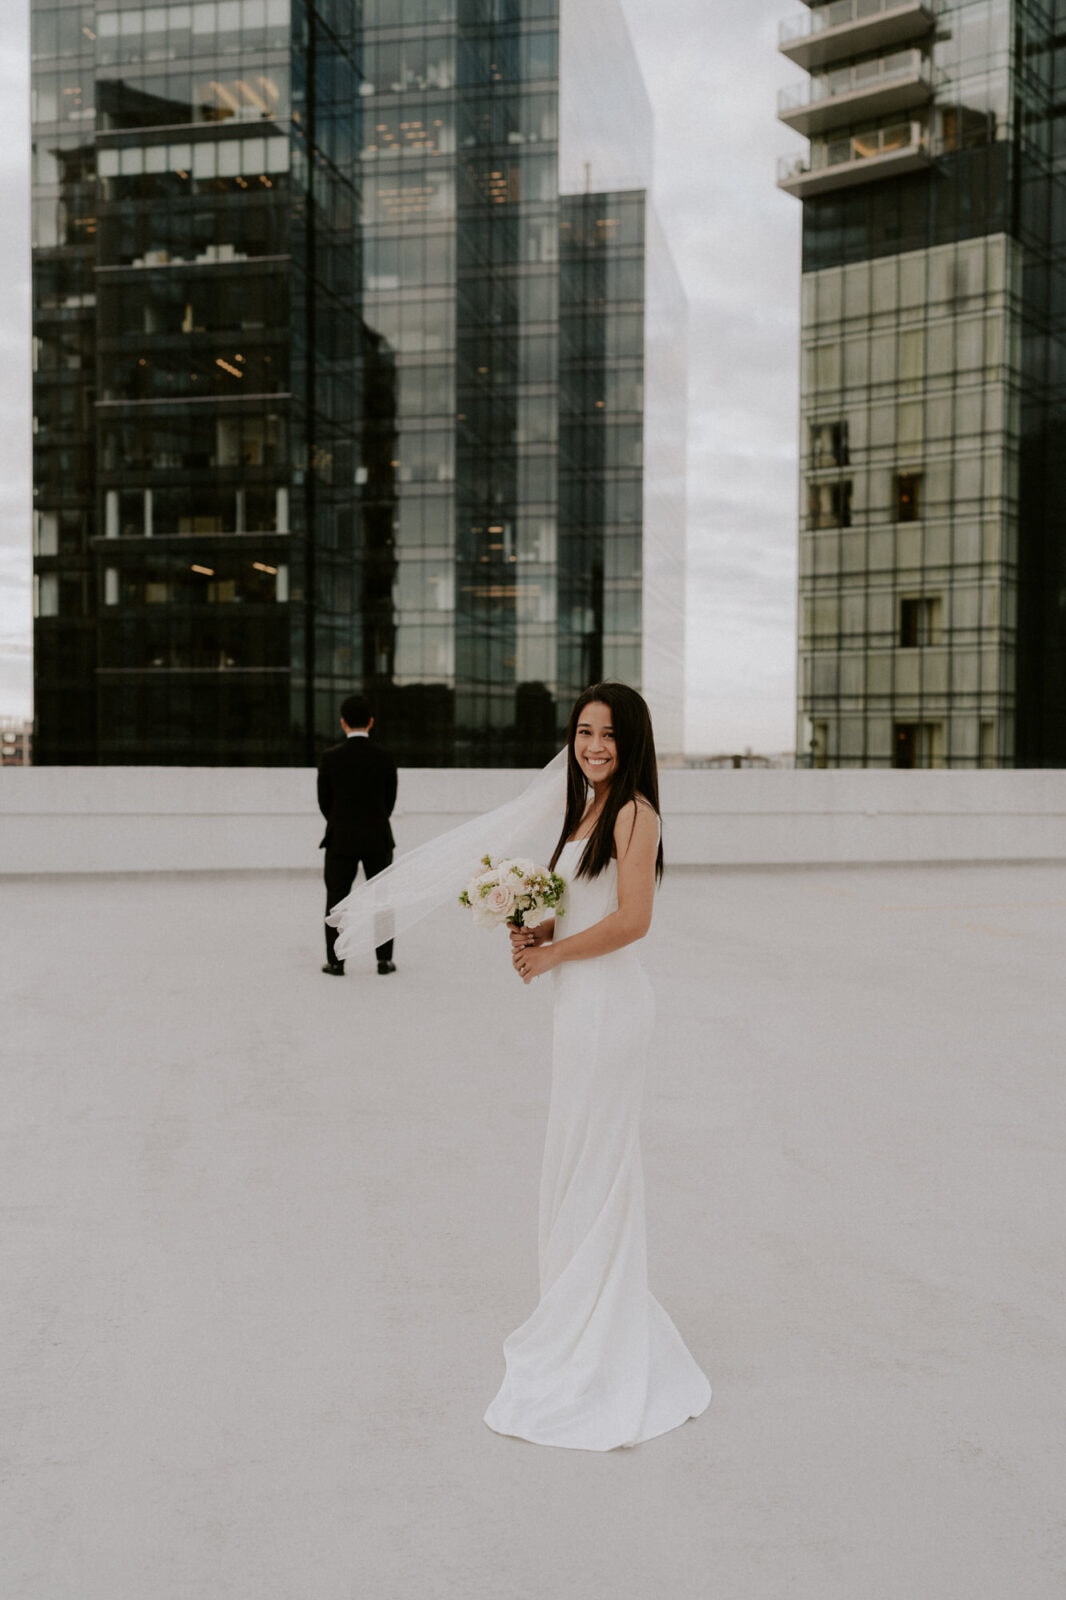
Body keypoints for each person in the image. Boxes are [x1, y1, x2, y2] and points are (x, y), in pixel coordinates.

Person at [483, 681, 711, 1449]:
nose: (594, 746)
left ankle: (599, 1333)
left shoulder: (636, 812)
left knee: (601, 1161)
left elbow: (634, 919)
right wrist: (530, 924)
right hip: (577, 1007)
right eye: (584, 732)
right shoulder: (583, 809)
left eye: (609, 734)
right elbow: (585, 901)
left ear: (633, 739)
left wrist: (552, 953)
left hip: (612, 1008)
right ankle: (576, 1314)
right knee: (575, 1155)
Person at [317, 694, 398, 976]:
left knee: (337, 901)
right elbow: (390, 802)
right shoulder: (386, 758)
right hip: (378, 838)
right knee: (382, 901)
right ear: (371, 722)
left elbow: (324, 803)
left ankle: (337, 962)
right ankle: (384, 961)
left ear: (342, 723)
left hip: (341, 839)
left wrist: (342, 822)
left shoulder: (330, 758)